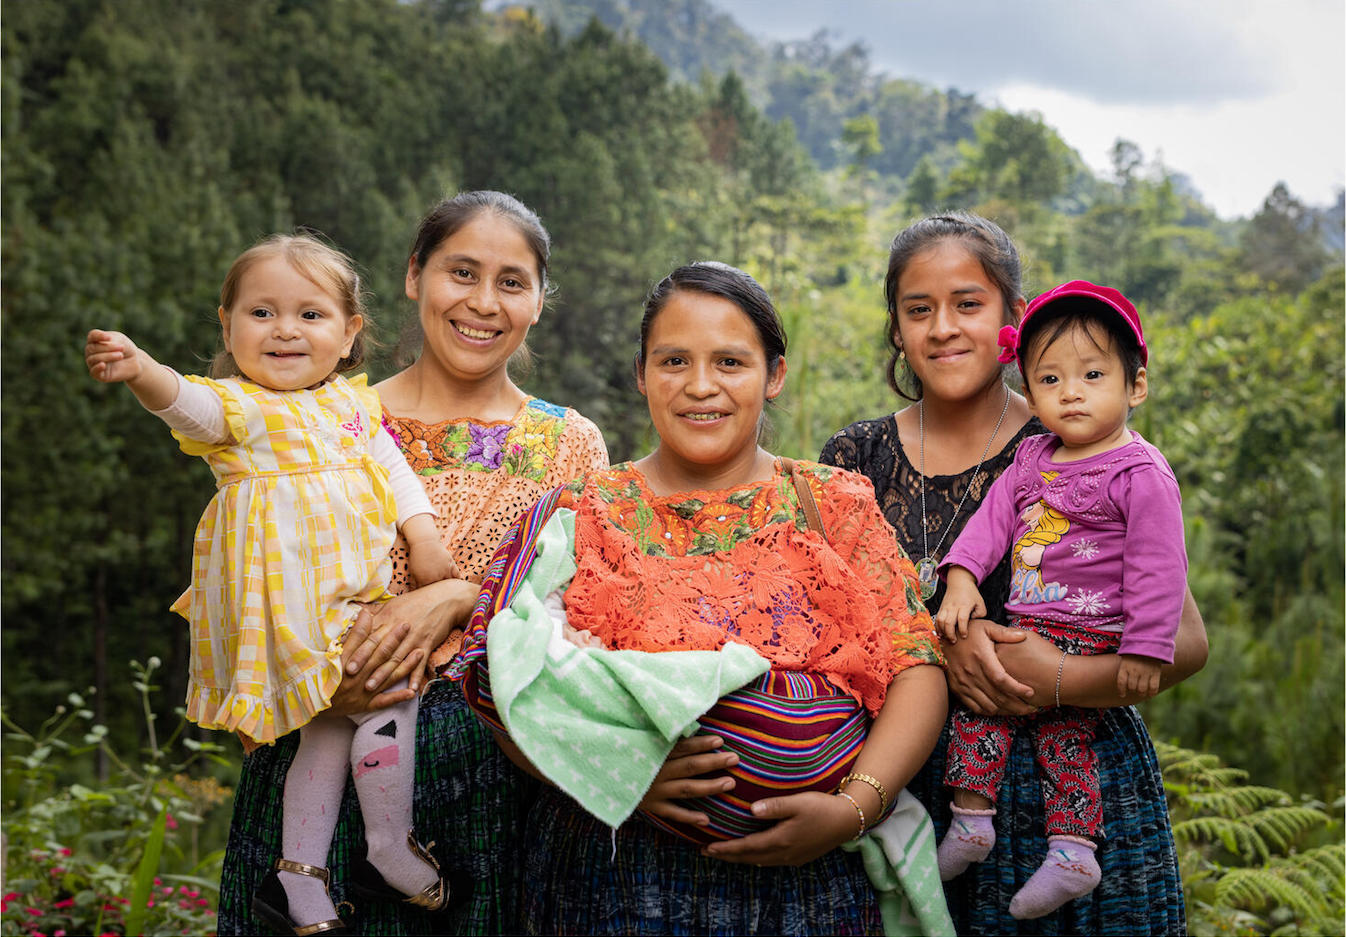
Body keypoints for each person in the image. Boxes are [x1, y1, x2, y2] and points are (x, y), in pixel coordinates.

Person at [461, 262, 950, 936]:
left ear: (773, 374)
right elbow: (508, 682)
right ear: (641, 373)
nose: (699, 386)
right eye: (673, 360)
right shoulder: (581, 511)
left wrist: (853, 809)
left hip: (812, 890)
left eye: (729, 361)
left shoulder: (833, 502)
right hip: (614, 879)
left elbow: (916, 663)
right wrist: (612, 769)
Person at [215, 191, 608, 936]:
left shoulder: (570, 444)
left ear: (538, 303)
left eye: (512, 282)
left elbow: (581, 628)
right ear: (414, 276)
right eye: (461, 272)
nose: (483, 303)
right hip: (313, 765)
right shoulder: (320, 416)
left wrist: (460, 596)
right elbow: (246, 570)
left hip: (493, 786)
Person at [820, 212, 1208, 935]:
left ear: (1012, 323)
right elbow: (832, 630)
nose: (943, 328)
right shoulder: (856, 455)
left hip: (1072, 794)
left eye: (968, 303)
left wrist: (1056, 677)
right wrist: (942, 649)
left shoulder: (1077, 445)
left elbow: (1186, 643)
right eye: (918, 309)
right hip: (905, 790)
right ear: (897, 329)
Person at [86, 234, 459, 934]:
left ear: (349, 334)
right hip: (289, 608)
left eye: (311, 315)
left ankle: (300, 878)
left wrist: (426, 537)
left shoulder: (351, 408)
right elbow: (182, 403)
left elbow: (397, 471)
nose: (285, 329)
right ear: (226, 325)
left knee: (324, 735)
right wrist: (142, 370)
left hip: (347, 596)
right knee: (391, 693)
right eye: (261, 313)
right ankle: (388, 844)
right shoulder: (240, 408)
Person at [932, 280, 1187, 919]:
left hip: (1093, 631)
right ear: (1030, 388)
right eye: (1049, 379)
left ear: (1136, 386)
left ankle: (1074, 851)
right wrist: (961, 577)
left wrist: (1147, 649)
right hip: (1028, 625)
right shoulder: (1031, 460)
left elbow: (1160, 567)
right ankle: (971, 819)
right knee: (980, 716)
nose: (1071, 391)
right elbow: (989, 526)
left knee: (1066, 740)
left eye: (1093, 375)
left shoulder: (1139, 472)